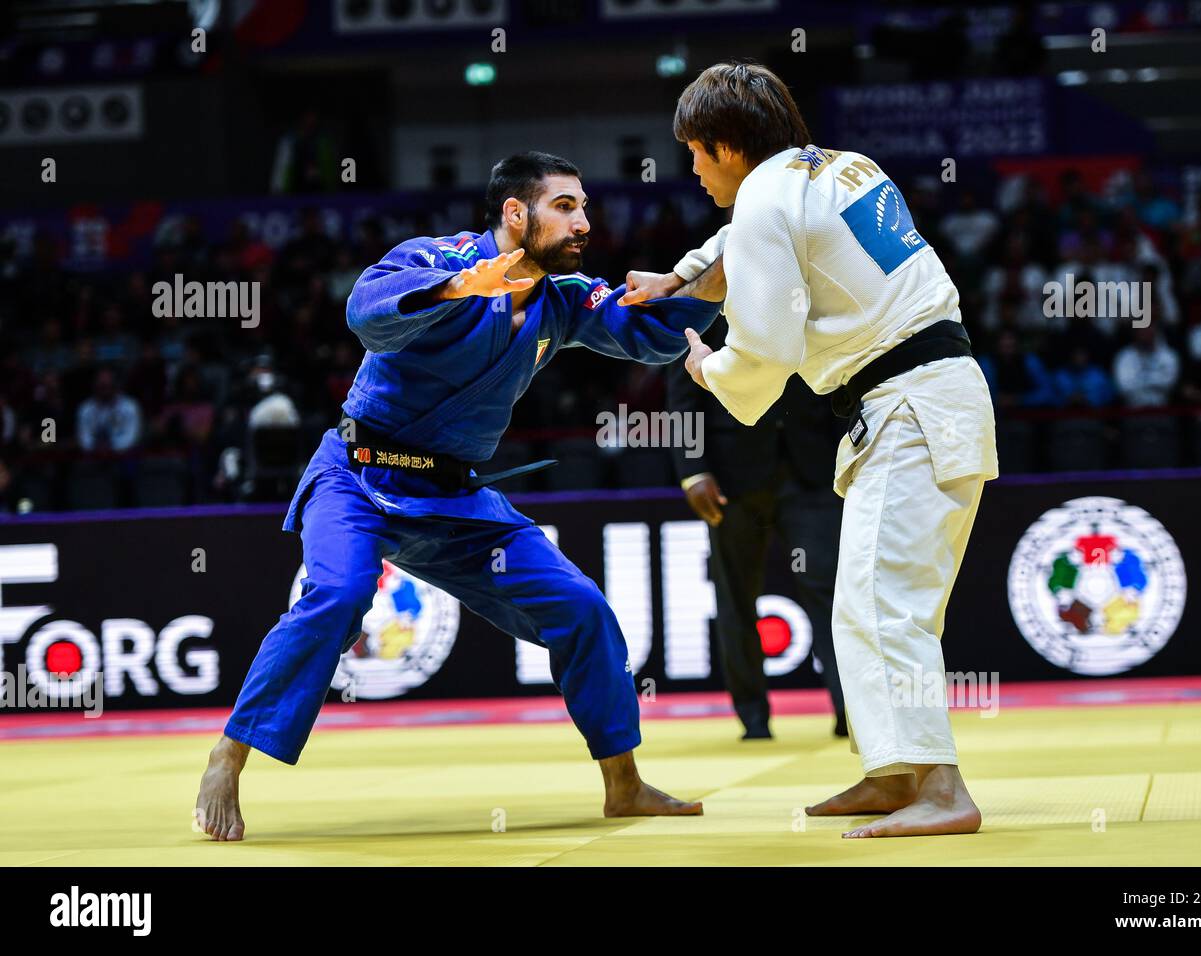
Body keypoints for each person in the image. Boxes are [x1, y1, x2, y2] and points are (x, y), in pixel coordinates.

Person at [195, 152, 721, 841]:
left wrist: (726, 273)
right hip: (359, 477)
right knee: (340, 594)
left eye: (585, 207)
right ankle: (229, 756)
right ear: (515, 213)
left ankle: (623, 785)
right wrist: (454, 290)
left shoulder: (562, 301)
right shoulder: (436, 258)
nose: (584, 223)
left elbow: (652, 334)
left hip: (454, 501)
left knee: (582, 608)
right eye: (566, 207)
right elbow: (366, 312)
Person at [623, 63, 998, 838]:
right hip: (923, 399)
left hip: (913, 406)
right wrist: (683, 277)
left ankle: (942, 788)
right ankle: (894, 772)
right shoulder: (836, 167)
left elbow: (763, 351)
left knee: (886, 602)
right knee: (861, 600)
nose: (691, 170)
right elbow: (748, 243)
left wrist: (703, 364)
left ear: (726, 146)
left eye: (694, 152)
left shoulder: (766, 195)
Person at [664, 315, 847, 740]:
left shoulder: (807, 291)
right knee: (736, 597)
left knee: (834, 594)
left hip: (811, 469)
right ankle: (753, 718)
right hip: (733, 477)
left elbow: (842, 377)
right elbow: (684, 398)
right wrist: (692, 471)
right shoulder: (706, 307)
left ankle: (850, 711)